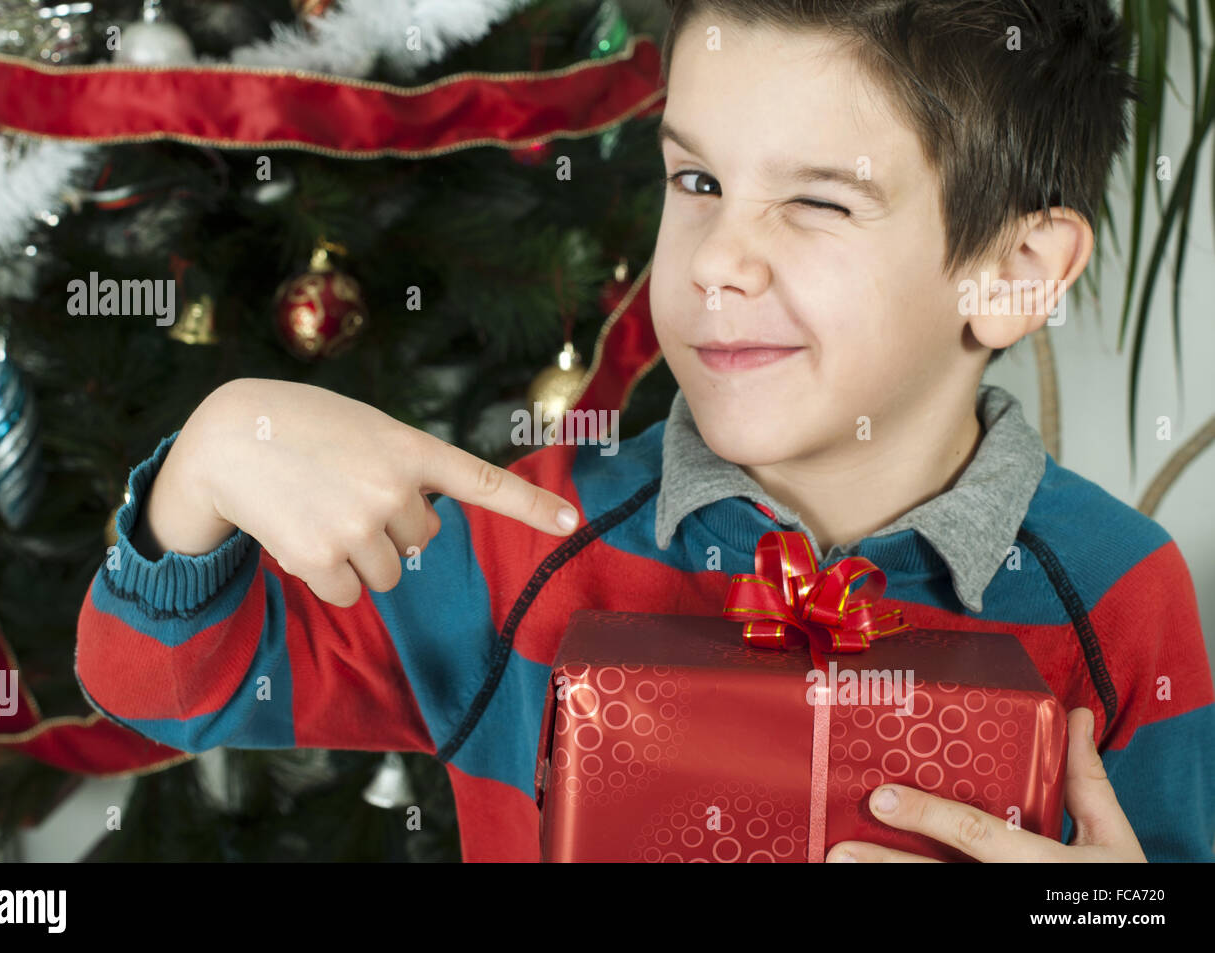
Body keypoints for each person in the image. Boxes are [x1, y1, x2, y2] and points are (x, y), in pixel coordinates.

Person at [74, 0, 1214, 862]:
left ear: (1012, 274)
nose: (717, 259)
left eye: (816, 200)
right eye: (697, 178)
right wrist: (215, 446)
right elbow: (160, 685)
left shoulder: (1116, 594)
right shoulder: (523, 535)